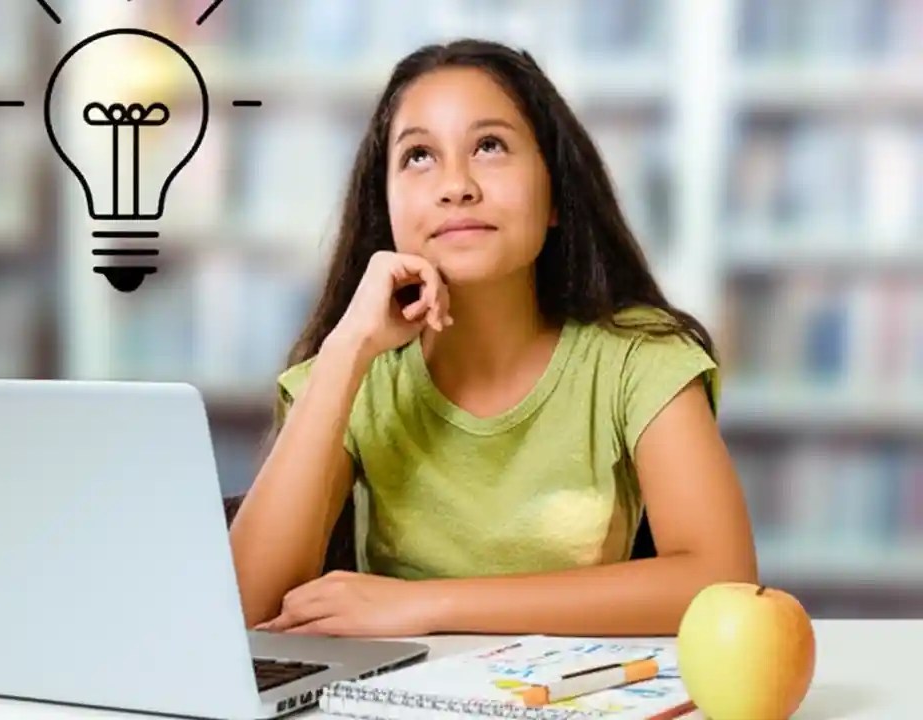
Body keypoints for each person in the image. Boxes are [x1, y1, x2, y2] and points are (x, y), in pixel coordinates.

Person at [227, 39, 758, 638]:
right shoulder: (357, 368)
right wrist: (346, 349)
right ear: (387, 207)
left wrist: (427, 605)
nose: (456, 185)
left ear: (555, 194)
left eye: (489, 146)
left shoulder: (639, 357)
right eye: (419, 156)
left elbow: (722, 581)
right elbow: (243, 610)